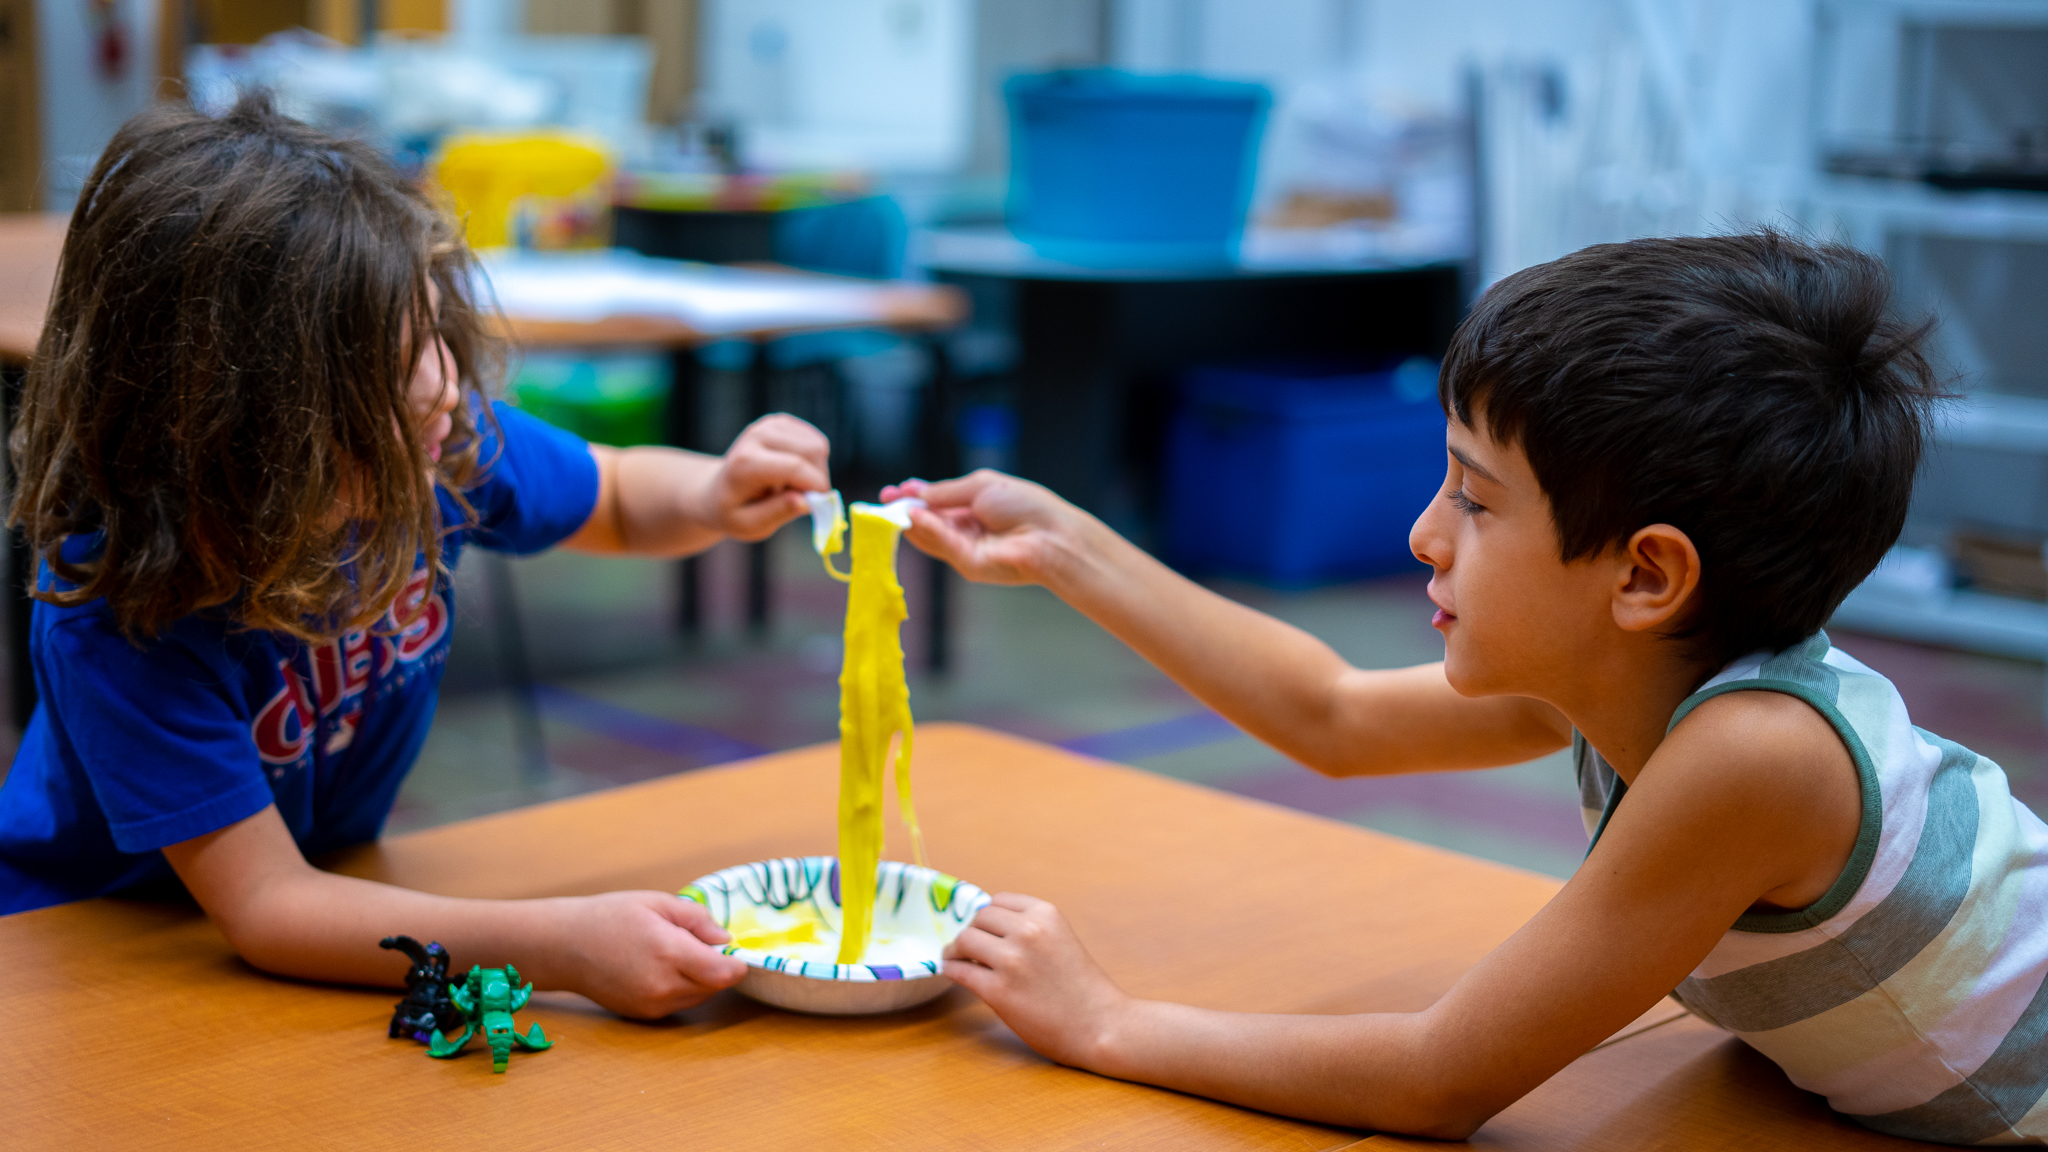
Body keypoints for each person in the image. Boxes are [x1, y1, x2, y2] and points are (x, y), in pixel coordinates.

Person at [887, 232, 2048, 1144]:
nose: (1421, 535)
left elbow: (1439, 1080)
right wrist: (1066, 547)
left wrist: (1106, 1022)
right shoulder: (1628, 669)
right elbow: (1330, 715)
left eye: (1474, 501)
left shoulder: (1753, 756)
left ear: (1644, 573)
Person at [0, 94, 821, 1018]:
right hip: (101, 955)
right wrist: (563, 945)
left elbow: (623, 498)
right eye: (388, 375)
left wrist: (716, 493)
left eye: (432, 330)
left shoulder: (434, 447)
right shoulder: (123, 617)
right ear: (243, 429)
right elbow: (270, 908)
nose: (442, 386)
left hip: (323, 901)